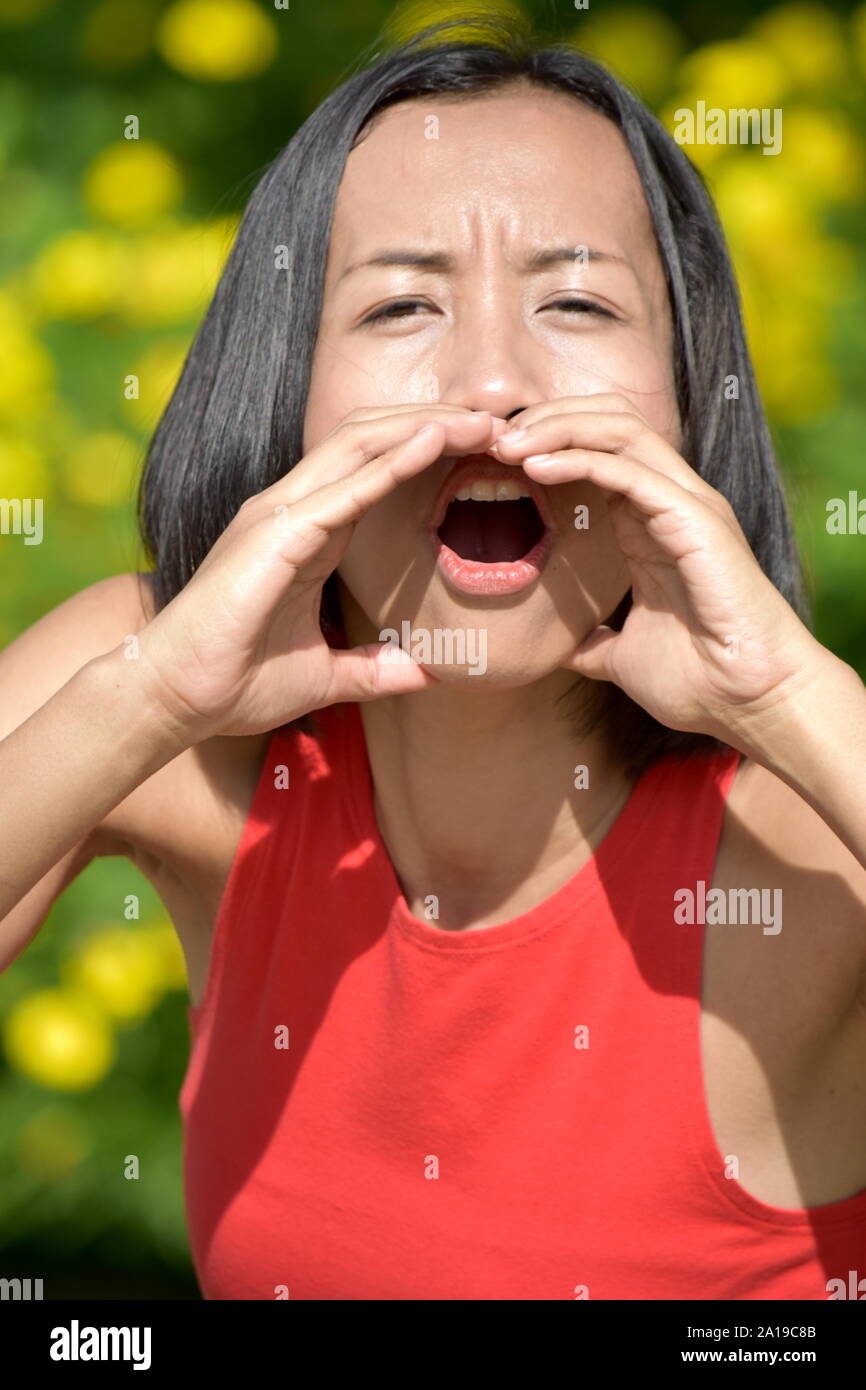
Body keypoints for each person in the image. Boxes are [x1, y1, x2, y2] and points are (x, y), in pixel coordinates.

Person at [2, 18, 865, 1301]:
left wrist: (789, 696)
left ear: (689, 401)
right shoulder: (155, 698)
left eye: (574, 301)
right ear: (285, 388)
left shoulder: (802, 836)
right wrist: (149, 701)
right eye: (400, 303)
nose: (490, 381)